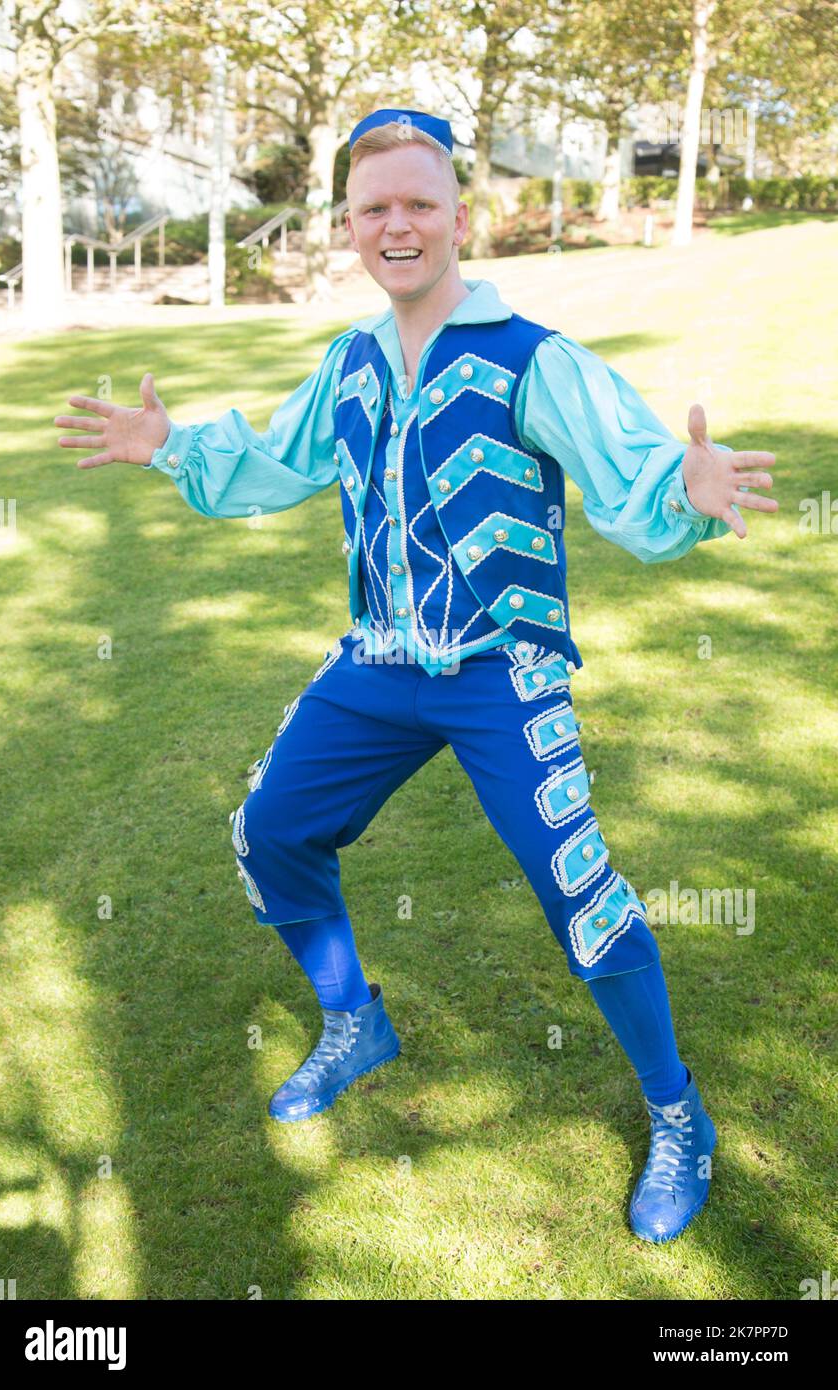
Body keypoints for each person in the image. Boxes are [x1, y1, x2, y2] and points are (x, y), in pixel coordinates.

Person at [54, 107, 778, 1243]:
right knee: (267, 831)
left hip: (503, 674)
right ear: (348, 227)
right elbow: (273, 461)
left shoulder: (529, 358)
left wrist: (684, 490)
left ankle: (676, 1110)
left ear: (458, 218)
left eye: (418, 204)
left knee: (580, 899)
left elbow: (630, 475)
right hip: (379, 662)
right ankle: (355, 1021)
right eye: (373, 209)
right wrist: (174, 447)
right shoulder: (346, 360)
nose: (397, 225)